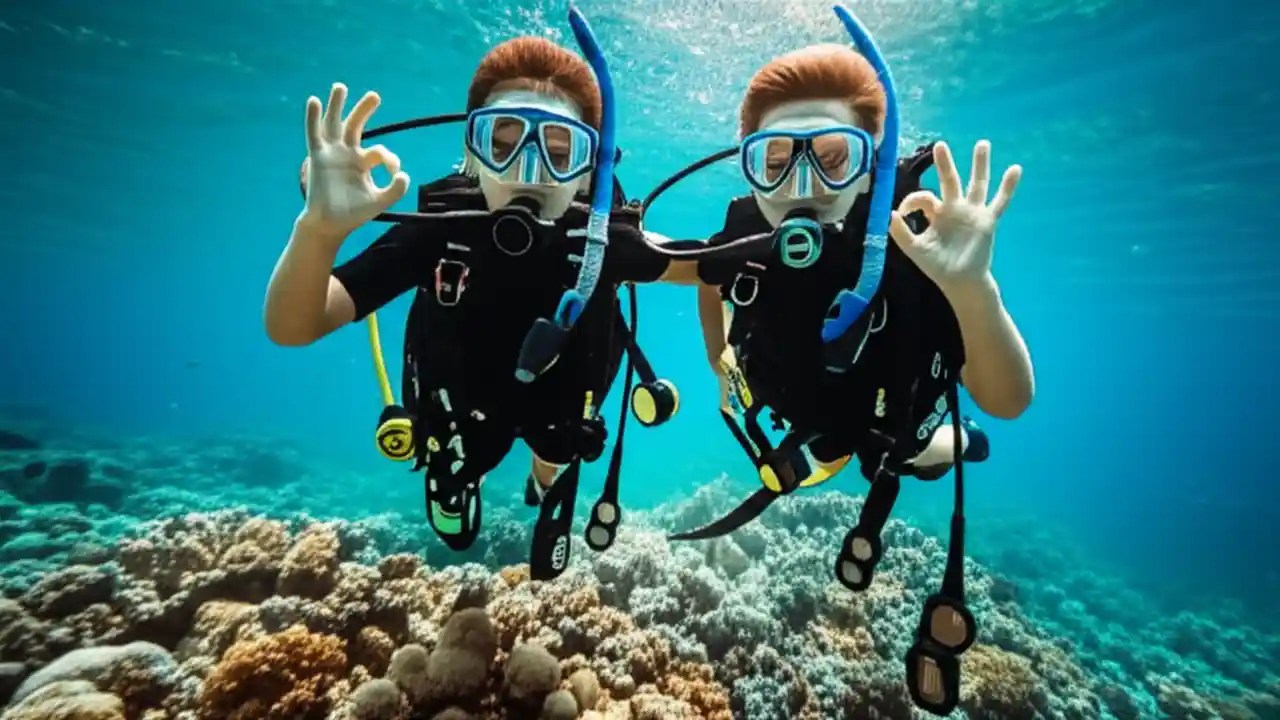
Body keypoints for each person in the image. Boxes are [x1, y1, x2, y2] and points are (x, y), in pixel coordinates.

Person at [635, 6, 1033, 715]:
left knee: (916, 454)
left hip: (893, 421)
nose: (804, 182)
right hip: (801, 414)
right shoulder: (745, 238)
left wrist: (974, 290)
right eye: (777, 159)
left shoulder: (921, 247)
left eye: (834, 154)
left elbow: (1008, 397)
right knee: (817, 459)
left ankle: (954, 443)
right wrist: (717, 358)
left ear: (874, 162)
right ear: (749, 167)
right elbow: (693, 270)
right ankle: (834, 454)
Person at [264, 16, 696, 580]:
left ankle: (541, 483)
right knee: (454, 515)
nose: (530, 171)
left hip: (562, 412)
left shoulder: (605, 241)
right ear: (471, 151)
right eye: (503, 143)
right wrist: (318, 231)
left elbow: (717, 264)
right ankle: (469, 482)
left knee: (555, 457)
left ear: (590, 169)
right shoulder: (438, 231)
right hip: (458, 418)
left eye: (560, 152)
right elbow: (294, 325)